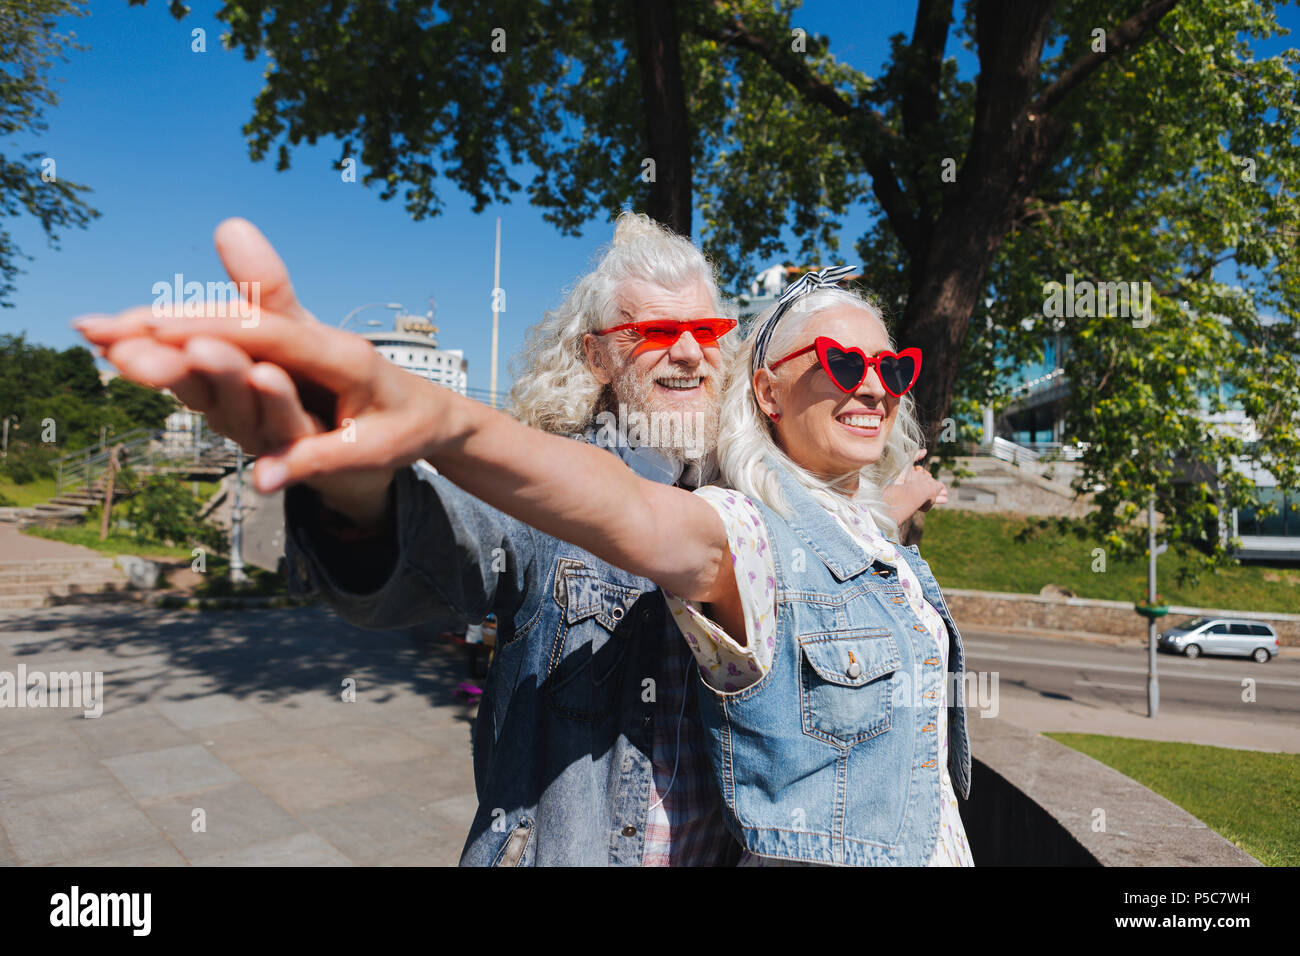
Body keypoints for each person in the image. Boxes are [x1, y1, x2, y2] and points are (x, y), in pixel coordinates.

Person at [76, 215, 950, 865]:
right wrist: (348, 480)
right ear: (599, 358)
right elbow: (442, 540)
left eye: (708, 331)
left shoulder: (758, 505)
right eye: (652, 333)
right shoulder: (551, 484)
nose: (688, 354)